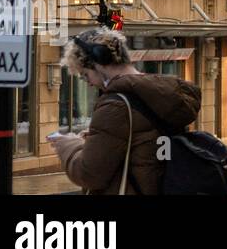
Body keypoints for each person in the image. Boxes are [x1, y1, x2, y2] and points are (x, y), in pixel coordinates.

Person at [48, 28, 201, 195]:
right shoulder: (159, 95)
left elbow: (90, 174)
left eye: (85, 75)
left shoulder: (115, 106)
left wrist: (68, 146)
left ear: (99, 63)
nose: (89, 83)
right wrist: (96, 139)